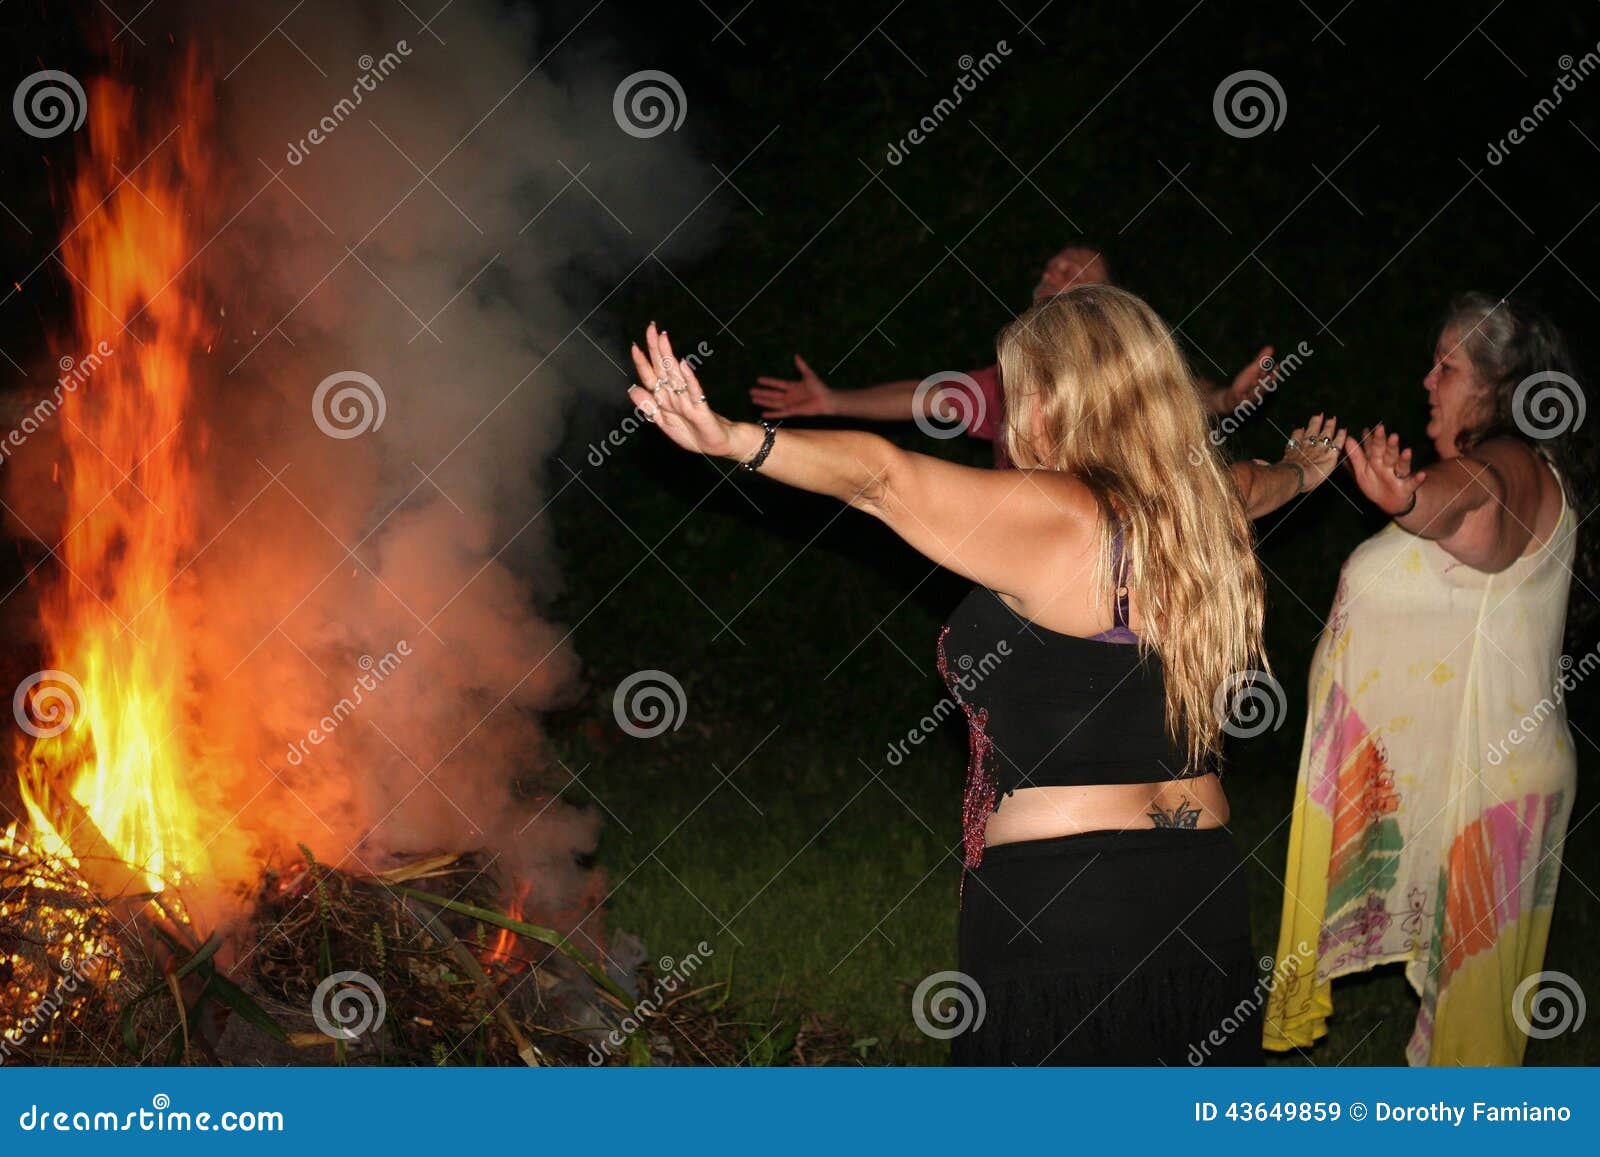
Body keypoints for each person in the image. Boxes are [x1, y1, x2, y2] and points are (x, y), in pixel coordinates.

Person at [628, 285, 1340, 1065]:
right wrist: (1304, 468)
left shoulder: (1059, 514)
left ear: (1056, 398)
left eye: (1019, 392)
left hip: (1066, 910)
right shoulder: (1205, 503)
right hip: (1204, 895)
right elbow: (1263, 483)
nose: (1008, 417)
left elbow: (882, 478)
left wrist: (734, 438)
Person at [1264, 293, 1589, 1065]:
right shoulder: (1517, 470)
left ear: (1497, 386)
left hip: (1495, 795)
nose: (1427, 381)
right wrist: (1422, 500)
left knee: (1471, 1051)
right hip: (1481, 777)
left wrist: (1413, 498)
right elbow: (1473, 530)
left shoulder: (1510, 463)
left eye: (1448, 367)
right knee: (1451, 1033)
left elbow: (1475, 514)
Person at [750, 242, 1276, 468]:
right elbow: (925, 397)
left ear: (1107, 303)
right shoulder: (1012, 377)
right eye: (1049, 269)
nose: (1052, 276)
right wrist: (834, 400)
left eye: (1072, 271)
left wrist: (1228, 398)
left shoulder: (1116, 367)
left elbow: (1177, 393)